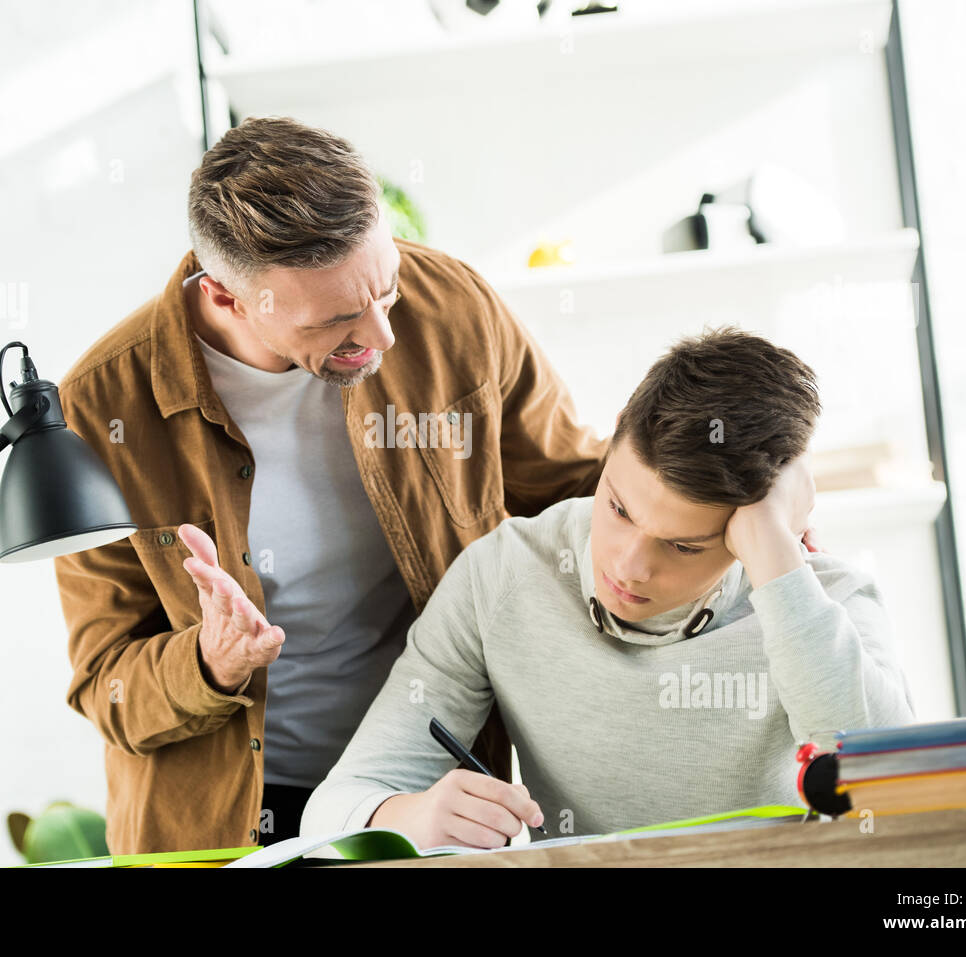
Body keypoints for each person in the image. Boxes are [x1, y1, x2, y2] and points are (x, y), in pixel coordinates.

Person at [52, 116, 607, 853]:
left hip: (429, 776)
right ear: (225, 297)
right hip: (233, 818)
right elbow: (105, 682)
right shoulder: (101, 409)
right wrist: (208, 662)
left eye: (387, 288)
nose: (383, 336)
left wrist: (731, 508)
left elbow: (576, 487)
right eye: (340, 318)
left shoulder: (454, 306)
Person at [299, 328, 916, 847]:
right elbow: (331, 810)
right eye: (619, 508)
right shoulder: (503, 574)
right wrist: (405, 817)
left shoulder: (824, 601)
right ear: (617, 432)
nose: (629, 566)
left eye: (684, 545)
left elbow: (891, 790)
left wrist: (778, 561)